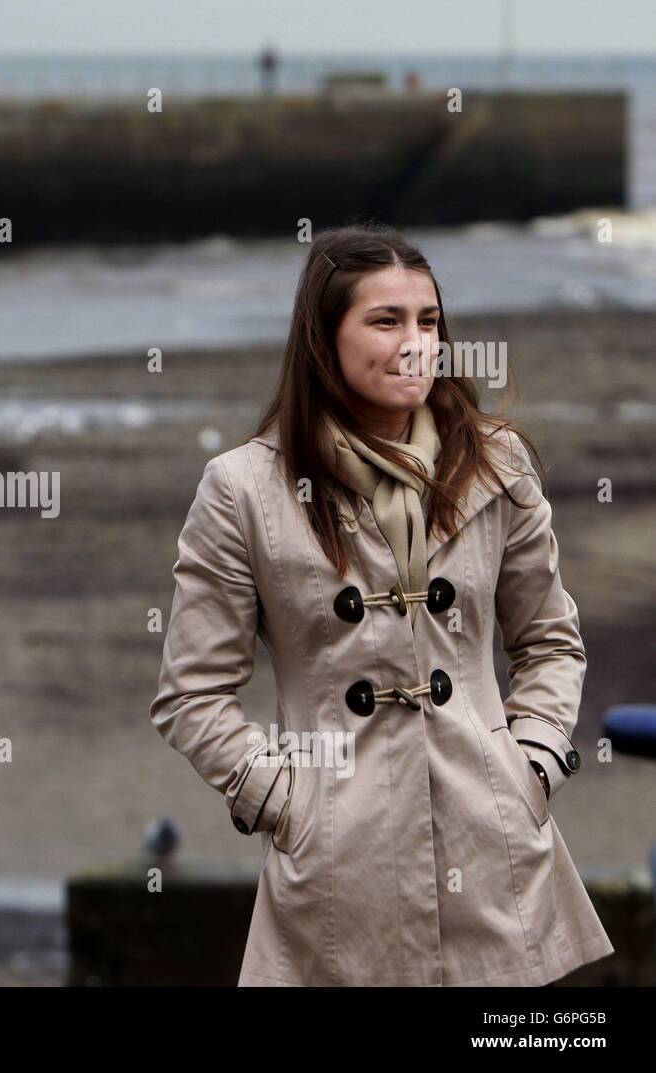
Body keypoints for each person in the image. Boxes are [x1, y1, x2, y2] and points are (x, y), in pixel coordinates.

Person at [149, 224, 615, 986]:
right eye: (385, 321)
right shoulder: (244, 491)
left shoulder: (496, 464)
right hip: (337, 872)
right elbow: (191, 694)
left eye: (428, 321)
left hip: (492, 854)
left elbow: (551, 643)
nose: (415, 344)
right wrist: (287, 804)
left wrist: (529, 766)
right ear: (324, 338)